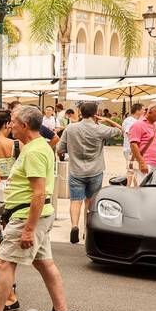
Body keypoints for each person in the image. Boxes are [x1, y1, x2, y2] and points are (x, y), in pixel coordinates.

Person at [0, 105, 76, 311]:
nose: (10, 125)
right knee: (45, 263)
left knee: (4, 262)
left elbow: (38, 192)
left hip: (28, 215)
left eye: (13, 121)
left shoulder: (34, 151)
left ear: (24, 125)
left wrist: (28, 228)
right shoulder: (37, 147)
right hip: (36, 215)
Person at [56, 100, 121, 244]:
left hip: (76, 170)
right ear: (95, 114)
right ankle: (87, 230)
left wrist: (69, 152)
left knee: (75, 201)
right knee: (90, 202)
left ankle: (74, 226)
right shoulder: (100, 128)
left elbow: (59, 149)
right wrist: (106, 119)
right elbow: (120, 130)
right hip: (95, 171)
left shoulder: (70, 128)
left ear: (80, 113)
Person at [128, 103, 156, 179]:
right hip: (145, 163)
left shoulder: (155, 124)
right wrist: (142, 162)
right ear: (150, 112)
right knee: (143, 190)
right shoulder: (138, 124)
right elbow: (133, 144)